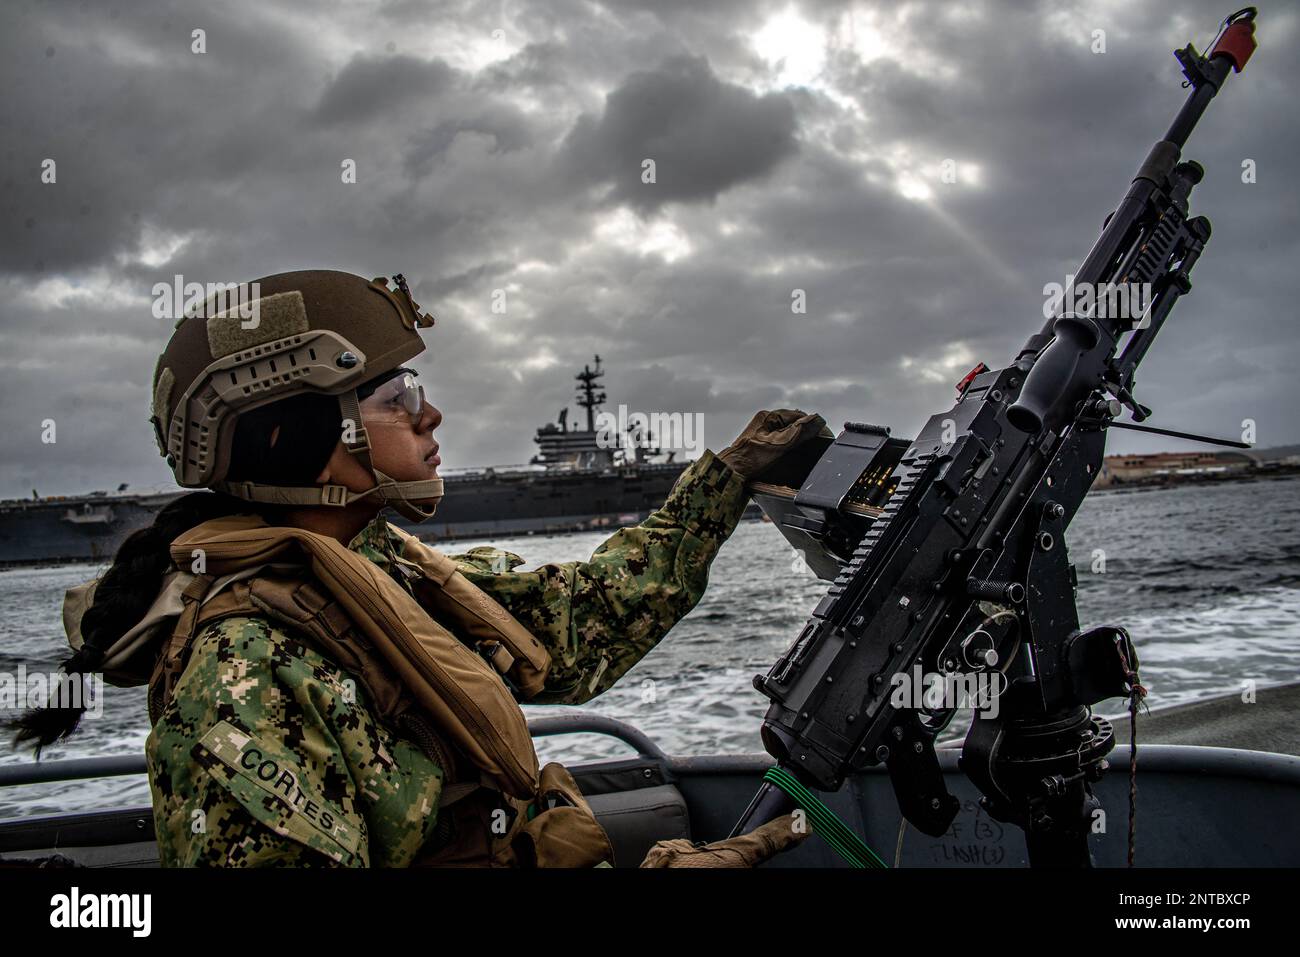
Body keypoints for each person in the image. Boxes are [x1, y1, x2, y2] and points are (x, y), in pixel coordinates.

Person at [11, 269, 827, 867]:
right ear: (302, 432)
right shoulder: (239, 678)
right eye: (396, 396)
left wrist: (726, 477)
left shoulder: (371, 566)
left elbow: (572, 627)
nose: (430, 413)